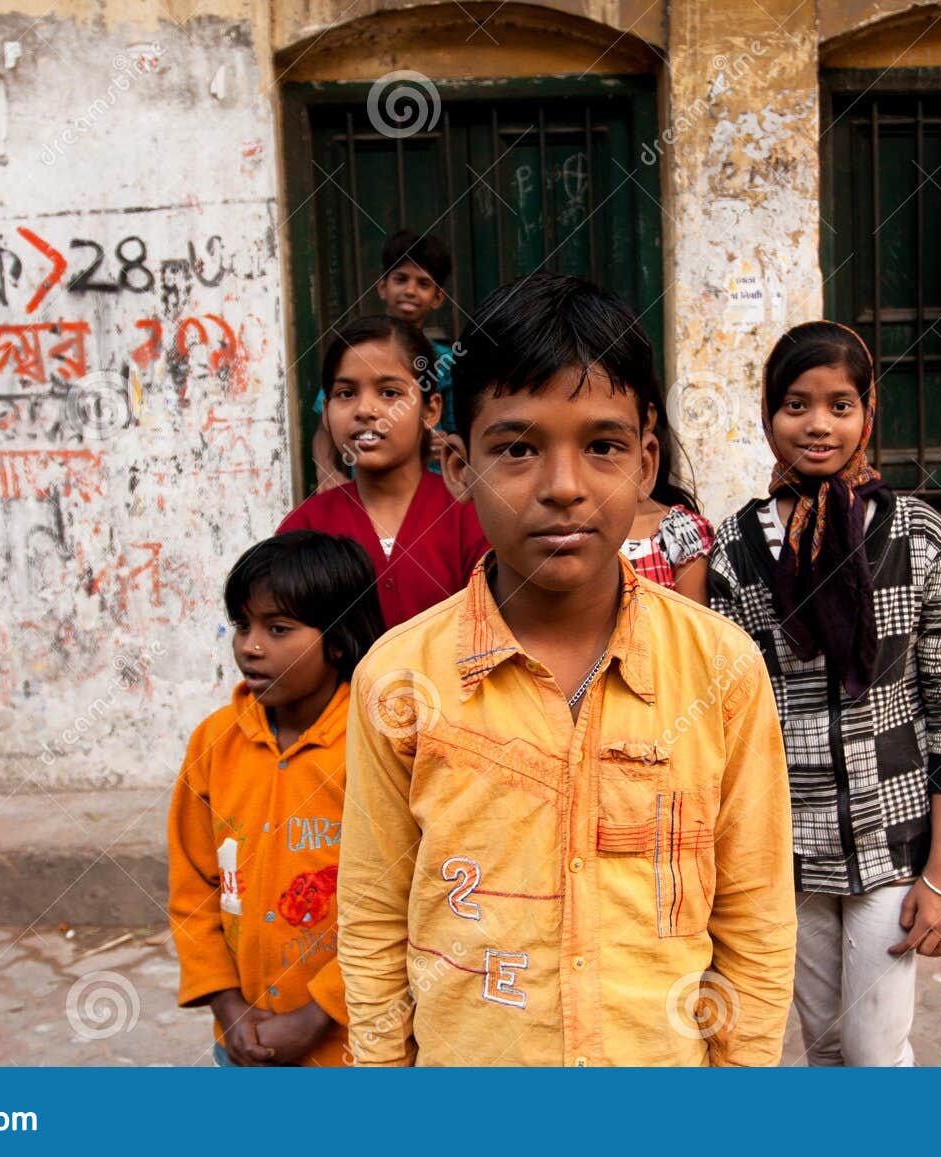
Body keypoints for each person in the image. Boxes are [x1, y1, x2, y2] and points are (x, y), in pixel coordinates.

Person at [337, 272, 796, 1067]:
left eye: (603, 447)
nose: (562, 487)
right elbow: (374, 917)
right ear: (458, 465)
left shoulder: (722, 670)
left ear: (647, 461)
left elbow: (755, 920)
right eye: (516, 448)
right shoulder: (400, 679)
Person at [707, 321, 941, 1067]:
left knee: (875, 1049)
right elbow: (732, 716)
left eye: (839, 404)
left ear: (868, 413)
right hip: (787, 845)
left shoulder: (920, 537)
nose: (817, 424)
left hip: (892, 840)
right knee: (822, 1044)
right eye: (795, 404)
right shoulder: (734, 550)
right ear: (767, 416)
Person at [167, 531, 385, 1067]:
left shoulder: (375, 744)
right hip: (244, 1040)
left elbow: (396, 899)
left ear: (337, 639)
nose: (250, 646)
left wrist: (317, 1014)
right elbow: (192, 885)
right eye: (243, 625)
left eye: (278, 628)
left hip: (351, 1048)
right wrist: (226, 1005)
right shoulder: (214, 743)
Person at [279, 316, 488, 629]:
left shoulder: (470, 516)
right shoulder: (305, 526)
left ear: (431, 410)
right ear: (326, 411)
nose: (365, 410)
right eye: (346, 393)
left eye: (390, 393)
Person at [313, 230, 457, 485]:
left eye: (423, 283)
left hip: (433, 488)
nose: (410, 291)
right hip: (369, 486)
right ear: (382, 286)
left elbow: (465, 433)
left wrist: (448, 443)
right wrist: (327, 473)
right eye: (401, 279)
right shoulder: (354, 353)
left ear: (437, 297)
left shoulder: (447, 362)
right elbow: (324, 432)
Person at [621, 403, 714, 602]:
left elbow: (694, 625)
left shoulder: (679, 531)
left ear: (647, 418)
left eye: (601, 447)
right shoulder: (560, 532)